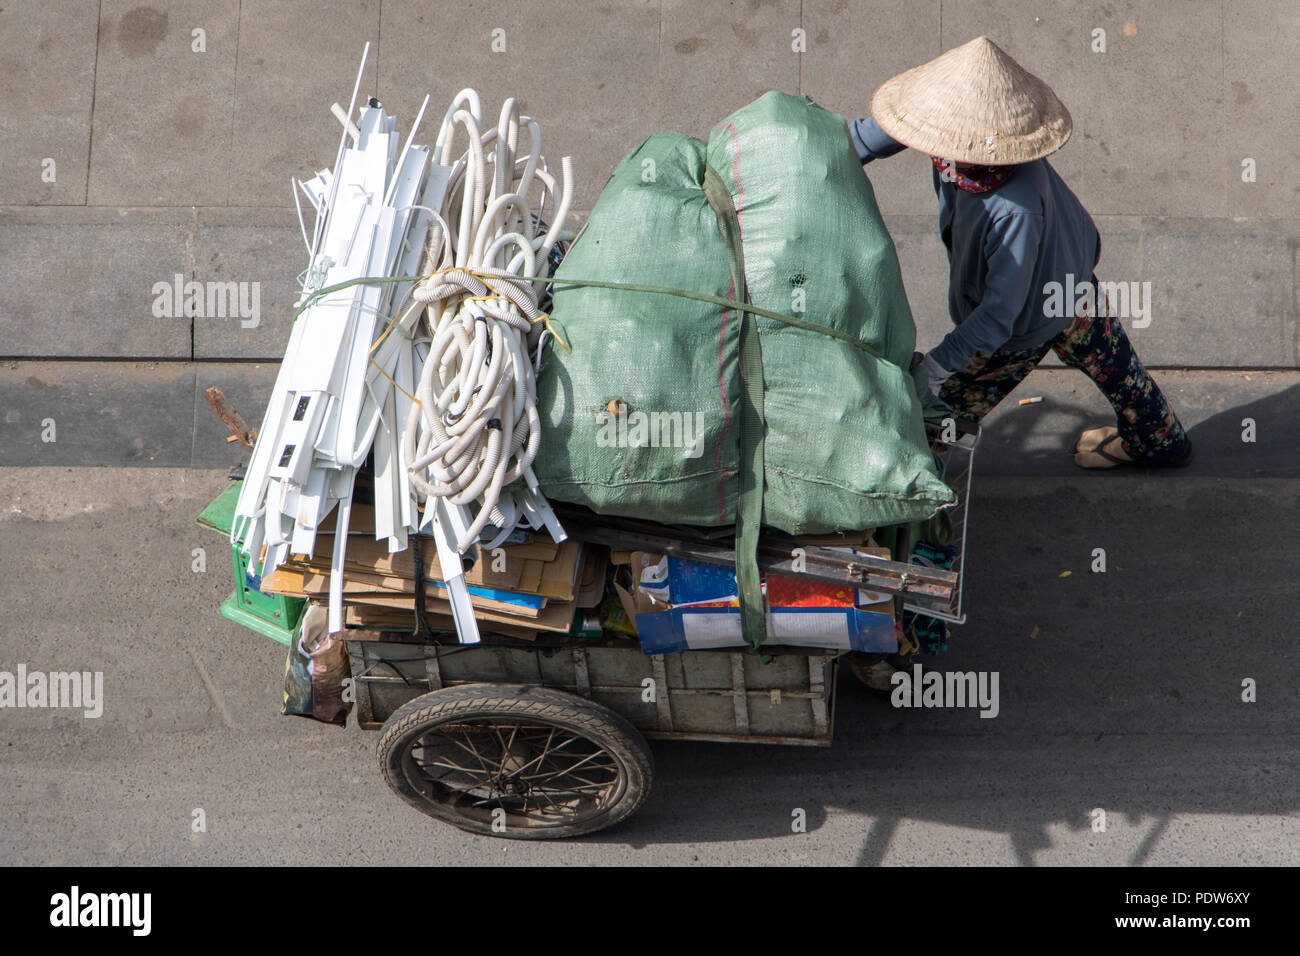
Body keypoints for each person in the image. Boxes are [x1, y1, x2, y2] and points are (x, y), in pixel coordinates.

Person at [850, 36, 1192, 469]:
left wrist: (938, 367)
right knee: (1117, 368)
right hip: (1072, 278)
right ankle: (1159, 438)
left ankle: (911, 488)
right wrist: (828, 156)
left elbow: (997, 317)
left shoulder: (1015, 209)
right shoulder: (964, 140)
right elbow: (882, 133)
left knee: (935, 416)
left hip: (1025, 319)